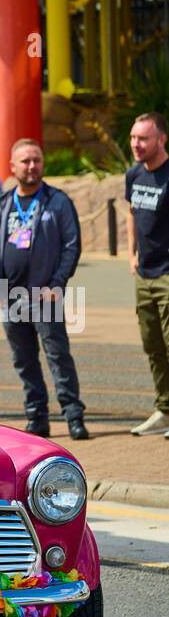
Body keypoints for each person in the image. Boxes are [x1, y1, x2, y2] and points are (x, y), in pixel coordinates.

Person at [0, 139, 87, 440]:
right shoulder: (1, 203)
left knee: (57, 356)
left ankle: (73, 416)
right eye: (25, 161)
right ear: (13, 167)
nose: (31, 166)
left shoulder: (58, 201)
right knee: (23, 359)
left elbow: (71, 246)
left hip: (45, 296)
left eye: (36, 160)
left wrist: (56, 284)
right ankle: (36, 416)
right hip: (10, 296)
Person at [126, 111, 169, 436]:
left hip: (167, 274)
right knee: (152, 345)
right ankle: (165, 409)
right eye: (133, 138)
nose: (136, 145)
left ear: (161, 139)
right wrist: (131, 254)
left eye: (143, 138)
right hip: (145, 274)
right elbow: (130, 212)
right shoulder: (134, 174)